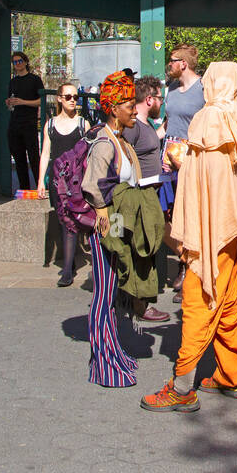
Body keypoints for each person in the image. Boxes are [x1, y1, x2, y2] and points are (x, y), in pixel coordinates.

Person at [142, 62, 237, 412]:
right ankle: (230, 375)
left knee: (199, 298)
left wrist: (181, 160)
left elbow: (203, 172)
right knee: (232, 301)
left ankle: (182, 387)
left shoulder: (209, 118)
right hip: (236, 223)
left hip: (214, 227)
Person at [82, 70, 162, 389]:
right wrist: (105, 221)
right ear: (113, 108)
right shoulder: (105, 143)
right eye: (129, 105)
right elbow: (92, 186)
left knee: (114, 293)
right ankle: (104, 364)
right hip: (108, 227)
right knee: (103, 296)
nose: (134, 109)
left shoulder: (121, 139)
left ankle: (114, 353)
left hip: (118, 226)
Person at [121, 75, 171, 323]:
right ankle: (140, 305)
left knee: (147, 248)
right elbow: (121, 159)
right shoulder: (133, 128)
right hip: (139, 198)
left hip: (150, 195)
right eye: (159, 98)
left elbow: (152, 142)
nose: (161, 102)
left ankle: (135, 300)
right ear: (149, 99)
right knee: (142, 250)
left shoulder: (146, 125)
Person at [161, 43, 205, 302]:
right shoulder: (171, 90)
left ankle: (190, 270)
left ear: (183, 64)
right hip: (168, 160)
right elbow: (167, 124)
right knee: (170, 215)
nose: (170, 65)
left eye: (173, 61)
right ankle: (183, 260)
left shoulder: (203, 89)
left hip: (192, 160)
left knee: (191, 216)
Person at [37, 82, 90, 287]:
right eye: (68, 97)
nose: (72, 101)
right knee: (64, 221)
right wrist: (41, 181)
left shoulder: (82, 124)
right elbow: (45, 154)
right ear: (59, 98)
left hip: (77, 180)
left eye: (75, 97)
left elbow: (88, 154)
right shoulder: (50, 125)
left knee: (72, 221)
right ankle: (68, 266)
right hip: (58, 180)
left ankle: (67, 268)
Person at [4, 51, 44, 191]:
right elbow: (10, 103)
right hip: (15, 123)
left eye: (20, 61)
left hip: (29, 122)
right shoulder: (13, 82)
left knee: (34, 157)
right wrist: (9, 102)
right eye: (15, 62)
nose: (17, 64)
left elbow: (41, 101)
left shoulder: (34, 79)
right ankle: (24, 188)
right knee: (18, 158)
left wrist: (23, 102)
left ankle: (40, 186)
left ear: (26, 62)